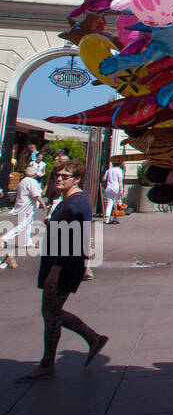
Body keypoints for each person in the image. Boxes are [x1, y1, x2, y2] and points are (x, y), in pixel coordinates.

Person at [19, 159, 108, 381]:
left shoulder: (75, 204)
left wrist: (55, 271)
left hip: (63, 265)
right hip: (61, 262)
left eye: (64, 176)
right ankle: (90, 339)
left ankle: (50, 362)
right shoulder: (68, 200)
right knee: (51, 312)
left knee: (51, 312)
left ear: (77, 179)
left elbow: (71, 240)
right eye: (57, 175)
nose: (59, 178)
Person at [1, 170, 47, 268]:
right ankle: (4, 238)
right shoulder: (32, 182)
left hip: (22, 206)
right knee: (23, 225)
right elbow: (36, 195)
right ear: (34, 174)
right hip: (27, 207)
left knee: (28, 225)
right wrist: (43, 204)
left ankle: (28, 242)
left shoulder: (23, 181)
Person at [102, 159, 124, 225]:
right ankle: (115, 217)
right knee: (117, 202)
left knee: (109, 203)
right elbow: (120, 181)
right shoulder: (119, 170)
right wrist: (121, 189)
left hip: (109, 187)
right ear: (119, 164)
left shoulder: (108, 170)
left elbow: (103, 179)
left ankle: (107, 219)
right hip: (116, 188)